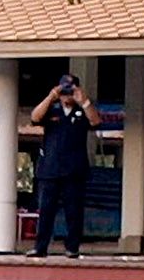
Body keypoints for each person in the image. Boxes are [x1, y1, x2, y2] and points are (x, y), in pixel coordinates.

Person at [27, 73, 102, 258]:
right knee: (46, 210)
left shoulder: (82, 111)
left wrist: (83, 101)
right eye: (64, 91)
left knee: (74, 211)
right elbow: (35, 117)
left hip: (74, 170)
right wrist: (51, 96)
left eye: (70, 91)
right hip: (50, 169)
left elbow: (96, 121)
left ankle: (72, 247)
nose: (66, 95)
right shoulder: (52, 111)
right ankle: (40, 247)